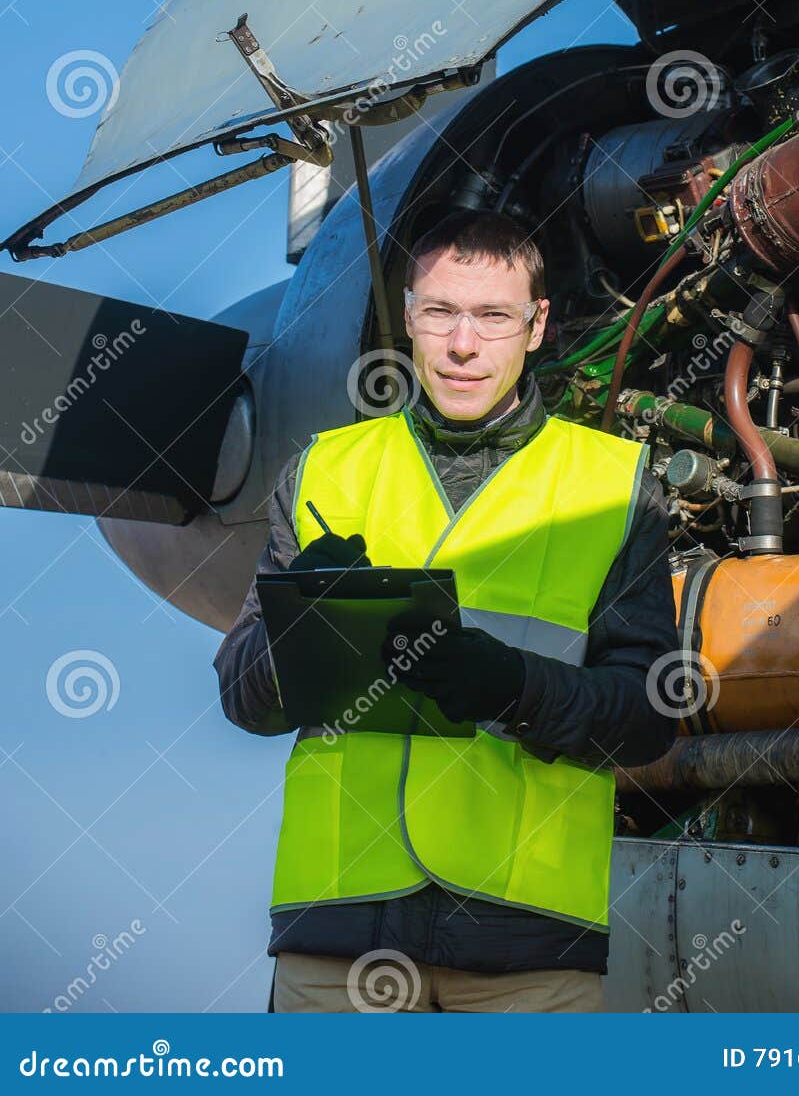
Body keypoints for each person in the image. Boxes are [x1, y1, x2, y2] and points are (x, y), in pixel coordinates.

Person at [213, 209, 678, 1013]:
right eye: (440, 313)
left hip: (528, 951)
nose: (464, 346)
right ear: (408, 319)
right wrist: (304, 621)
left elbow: (648, 716)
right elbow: (242, 700)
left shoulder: (617, 484)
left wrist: (511, 688)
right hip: (338, 938)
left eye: (494, 317)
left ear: (537, 327)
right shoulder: (323, 470)